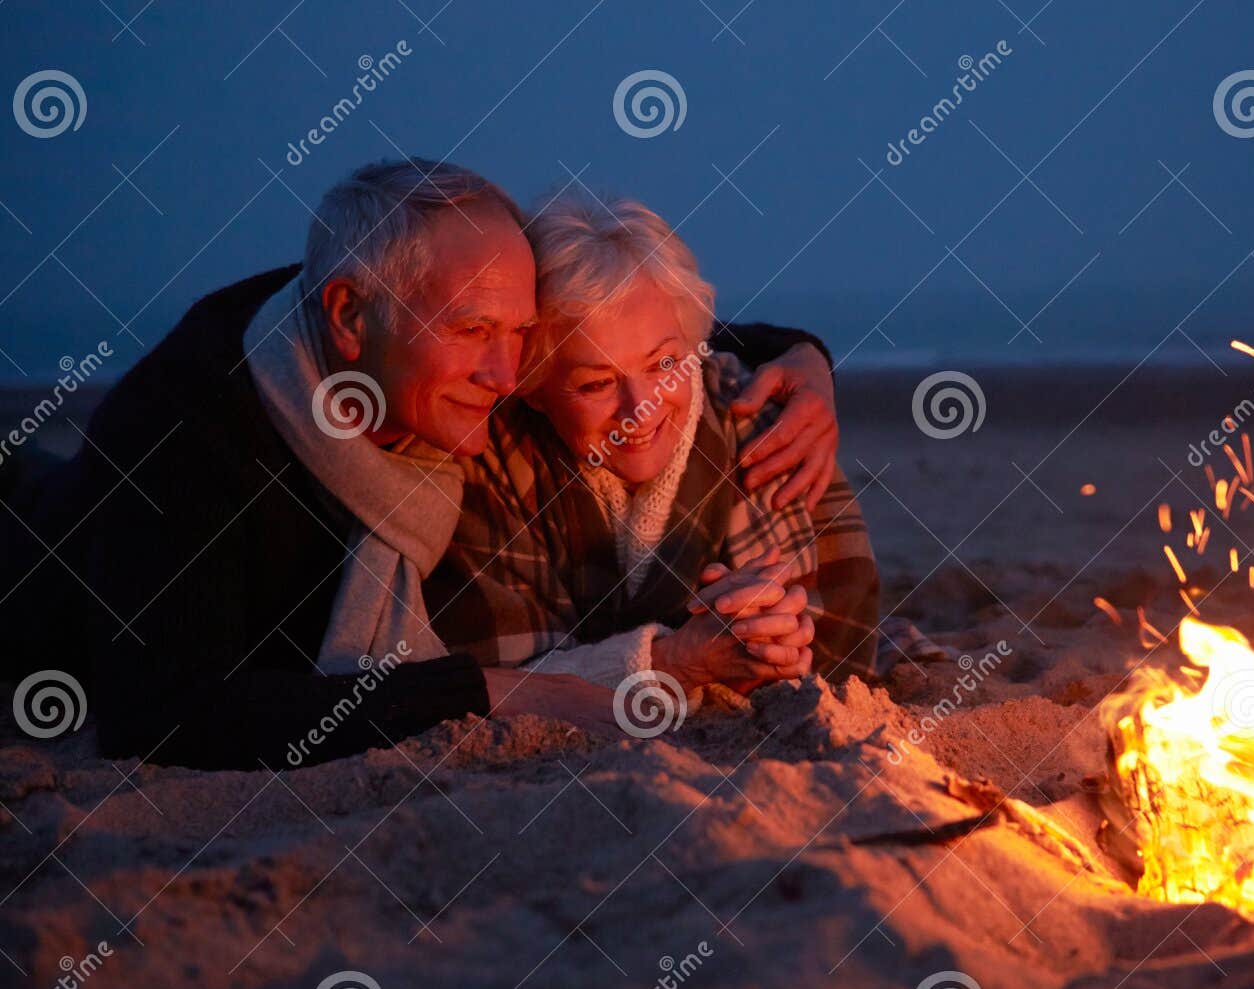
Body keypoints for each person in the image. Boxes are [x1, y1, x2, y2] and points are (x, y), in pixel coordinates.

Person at [0, 160, 839, 769]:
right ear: (348, 318)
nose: (507, 377)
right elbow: (164, 717)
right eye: (476, 333)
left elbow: (623, 333)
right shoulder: (183, 434)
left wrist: (800, 356)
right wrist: (500, 693)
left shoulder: (409, 316)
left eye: (518, 336)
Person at [431, 195, 879, 703]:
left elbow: (844, 646)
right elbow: (494, 677)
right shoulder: (488, 457)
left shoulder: (770, 430)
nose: (639, 408)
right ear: (532, 384)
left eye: (665, 365)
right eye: (596, 384)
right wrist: (678, 661)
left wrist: (774, 643)